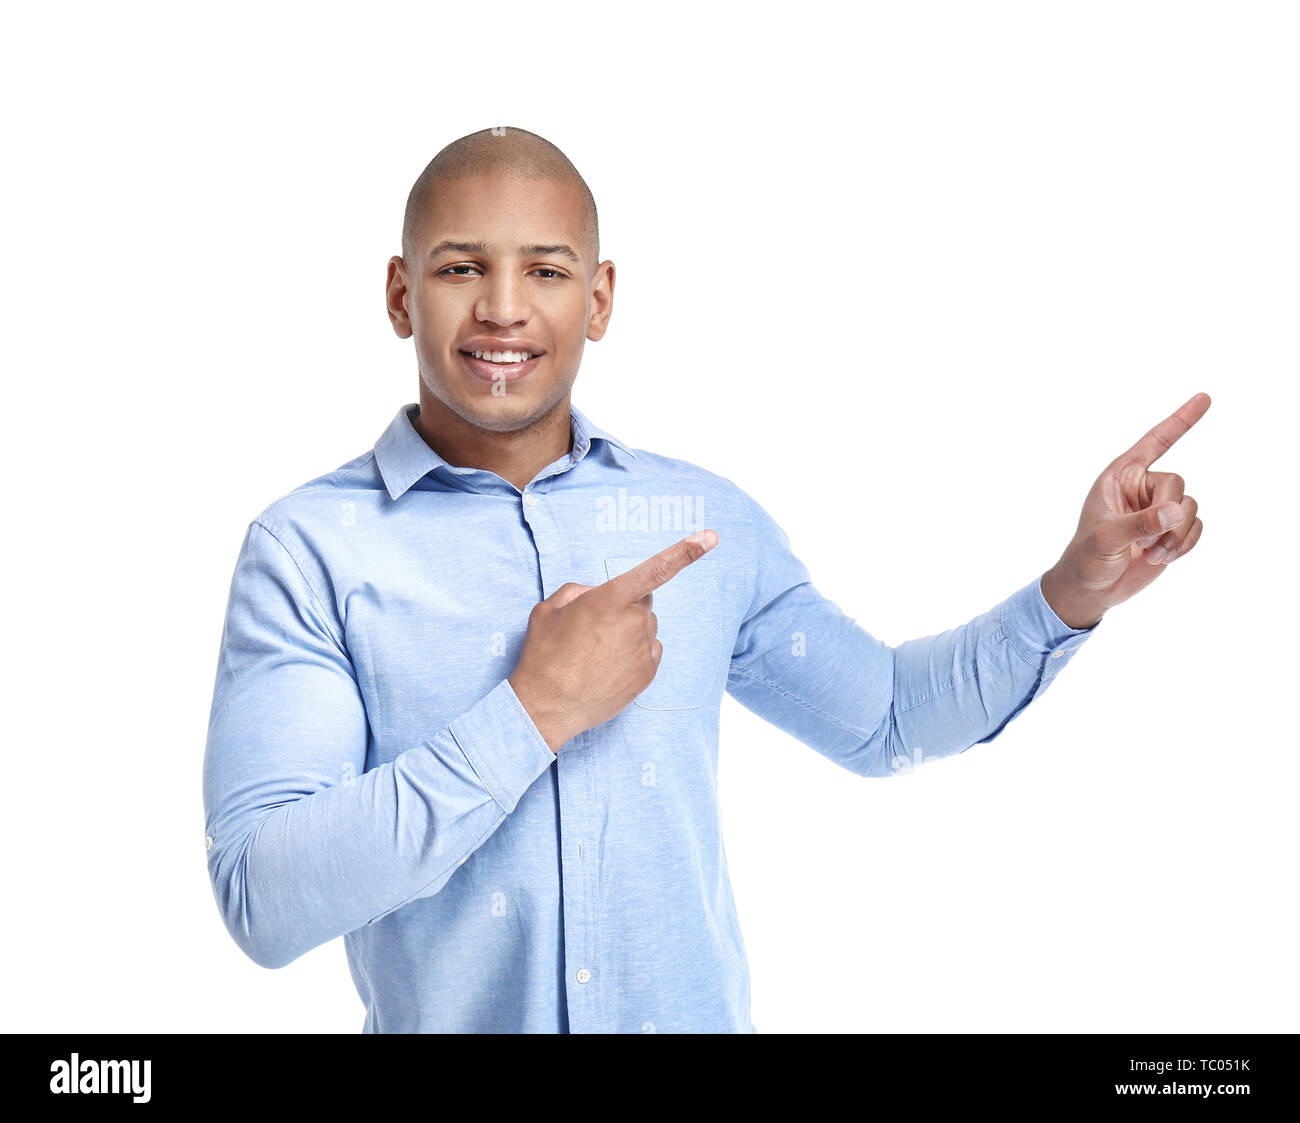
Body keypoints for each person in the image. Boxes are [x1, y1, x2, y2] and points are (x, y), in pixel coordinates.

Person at [201, 126, 1208, 1033]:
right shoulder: (309, 550)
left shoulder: (702, 523)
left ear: (597, 300)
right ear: (397, 294)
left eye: (545, 271)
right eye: (462, 266)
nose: (503, 308)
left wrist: (1073, 587)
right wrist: (533, 710)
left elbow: (891, 717)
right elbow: (266, 895)